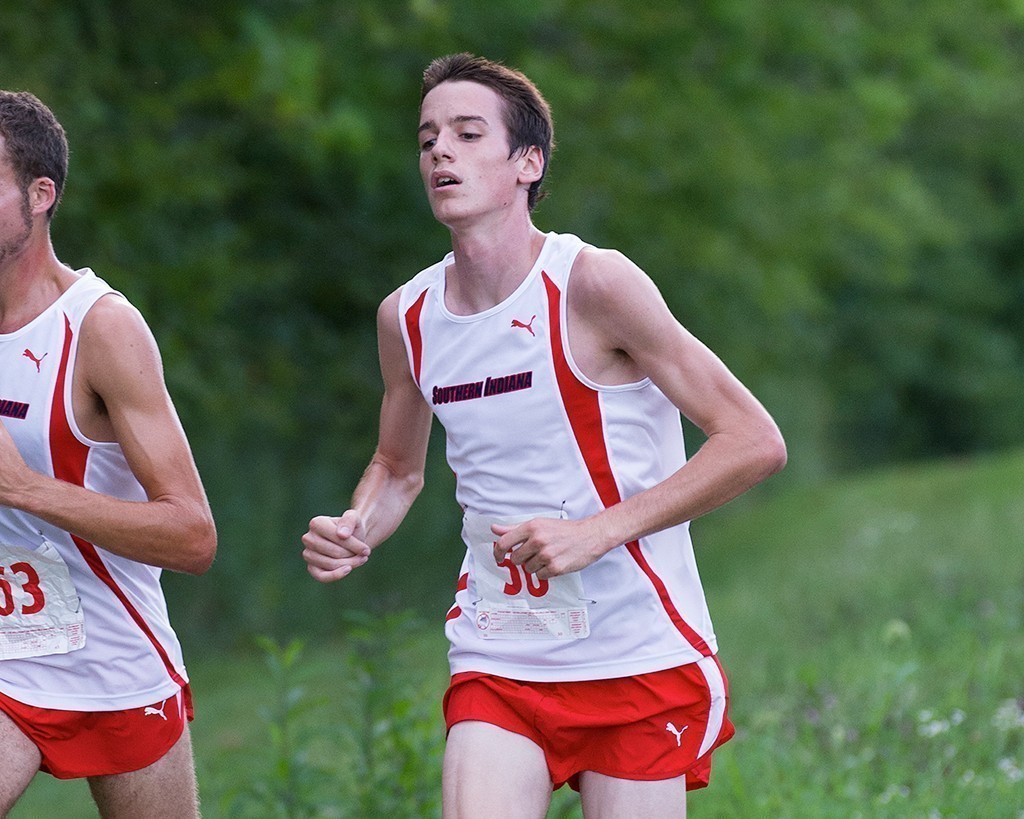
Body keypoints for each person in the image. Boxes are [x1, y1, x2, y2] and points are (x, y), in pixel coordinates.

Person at [302, 53, 786, 817]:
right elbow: (397, 469)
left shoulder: (593, 283)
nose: (440, 151)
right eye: (428, 139)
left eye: (467, 134)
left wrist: (597, 531)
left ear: (528, 162)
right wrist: (356, 524)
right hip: (500, 651)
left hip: (636, 649)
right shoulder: (408, 317)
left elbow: (753, 439)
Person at [0, 90, 216, 817]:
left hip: (115, 665)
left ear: (39, 195)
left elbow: (192, 536)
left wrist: (26, 489)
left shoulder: (100, 328)